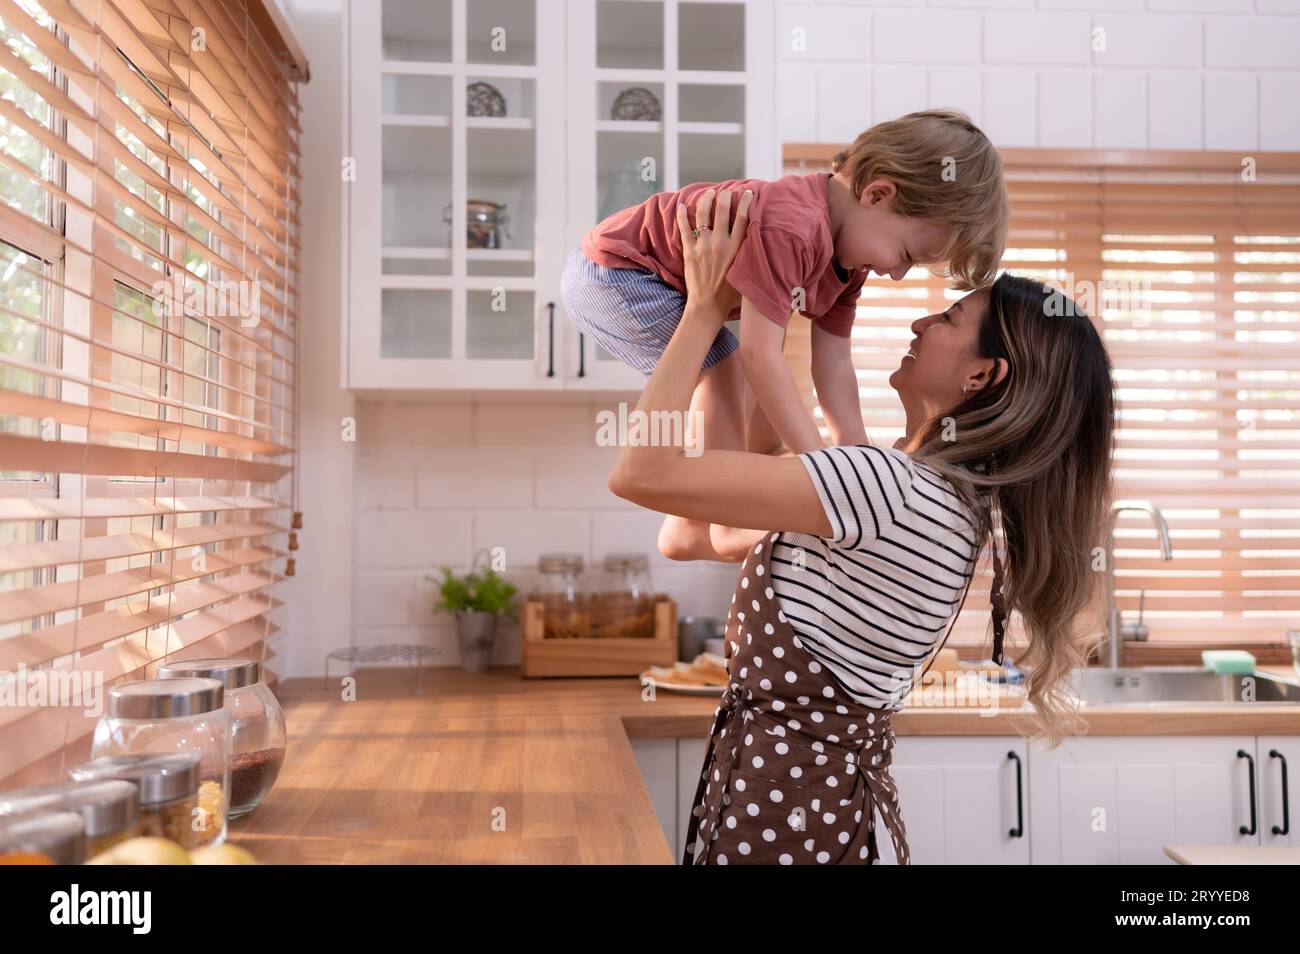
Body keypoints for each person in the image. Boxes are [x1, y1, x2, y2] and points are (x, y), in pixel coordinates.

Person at [609, 187, 1116, 865]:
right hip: (809, 811)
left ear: (981, 375)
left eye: (949, 317)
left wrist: (701, 312)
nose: (920, 324)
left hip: (780, 816)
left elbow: (639, 474)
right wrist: (740, 342)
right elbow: (689, 536)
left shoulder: (882, 488)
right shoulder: (939, 501)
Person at [565, 109, 1008, 562]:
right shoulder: (791, 227)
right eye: (907, 255)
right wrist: (824, 470)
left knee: (741, 391)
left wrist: (853, 457)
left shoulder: (848, 262)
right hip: (617, 272)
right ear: (877, 194)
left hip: (659, 283)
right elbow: (762, 355)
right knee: (727, 374)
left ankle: (689, 527)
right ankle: (721, 518)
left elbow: (833, 364)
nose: (896, 274)